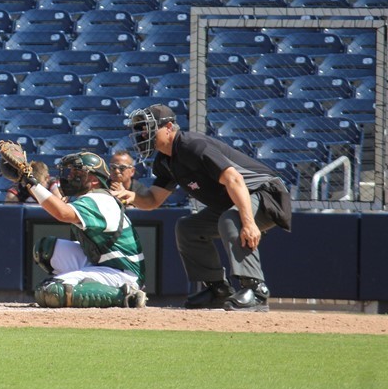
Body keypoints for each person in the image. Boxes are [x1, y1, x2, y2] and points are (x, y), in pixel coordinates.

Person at [119, 104, 292, 312]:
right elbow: (153, 200)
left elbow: (234, 179)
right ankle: (218, 290)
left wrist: (249, 222)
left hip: (265, 194)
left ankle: (256, 290)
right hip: (233, 202)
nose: (143, 134)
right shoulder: (164, 161)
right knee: (188, 228)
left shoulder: (192, 145)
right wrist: (133, 197)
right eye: (141, 130)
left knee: (231, 219)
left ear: (169, 127)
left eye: (148, 128)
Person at [9, 150, 147, 308]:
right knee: (45, 249)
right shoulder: (94, 197)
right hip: (102, 261)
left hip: (123, 272)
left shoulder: (99, 199)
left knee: (52, 292)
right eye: (71, 171)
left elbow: (62, 213)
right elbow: (59, 208)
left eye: (78, 172)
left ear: (94, 180)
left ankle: (127, 296)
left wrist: (31, 182)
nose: (70, 176)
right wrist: (27, 181)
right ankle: (80, 284)